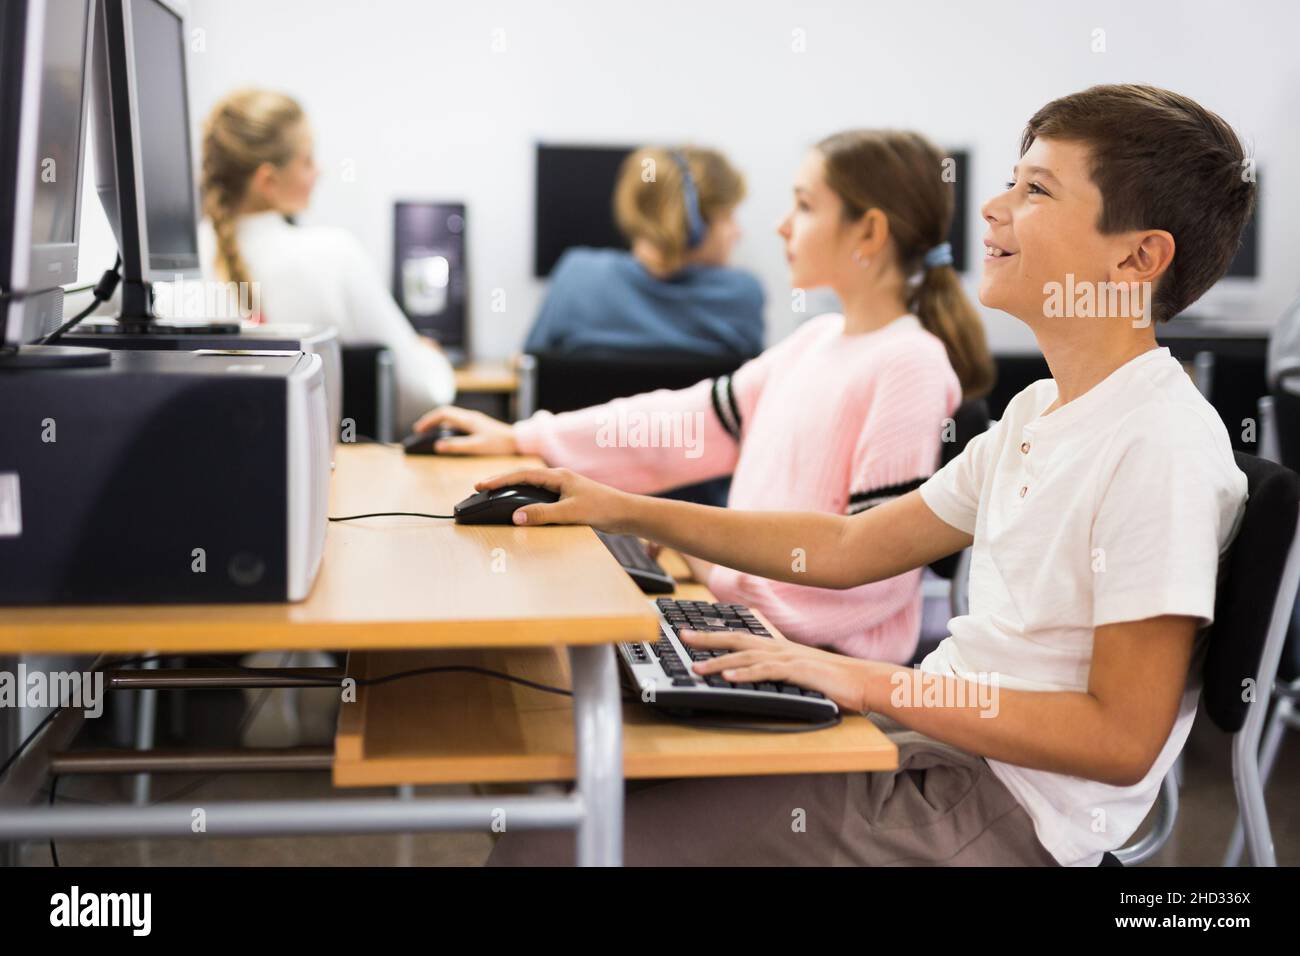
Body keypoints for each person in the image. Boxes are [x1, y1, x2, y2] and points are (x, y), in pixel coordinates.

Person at [478, 85, 1254, 867]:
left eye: (1035, 189)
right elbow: (848, 545)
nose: (991, 207)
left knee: (554, 845)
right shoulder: (1040, 411)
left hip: (995, 806)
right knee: (567, 764)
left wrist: (859, 681)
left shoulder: (1158, 446)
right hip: (930, 741)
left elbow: (1118, 740)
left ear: (1138, 256)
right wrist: (620, 508)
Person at [417, 130, 994, 664]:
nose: (780, 226)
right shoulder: (816, 341)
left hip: (818, 666)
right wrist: (524, 437)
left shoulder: (910, 363)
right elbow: (682, 422)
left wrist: (711, 565)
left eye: (804, 205)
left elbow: (869, 574)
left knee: (559, 706)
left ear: (868, 232)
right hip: (755, 631)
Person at [198, 89, 455, 433]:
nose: (319, 171)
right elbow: (424, 395)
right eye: (307, 161)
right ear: (267, 181)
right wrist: (431, 359)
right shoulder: (334, 255)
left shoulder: (171, 263)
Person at [524, 145, 764, 359]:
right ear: (696, 225)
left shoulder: (577, 277)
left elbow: (529, 370)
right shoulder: (742, 295)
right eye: (729, 216)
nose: (738, 232)